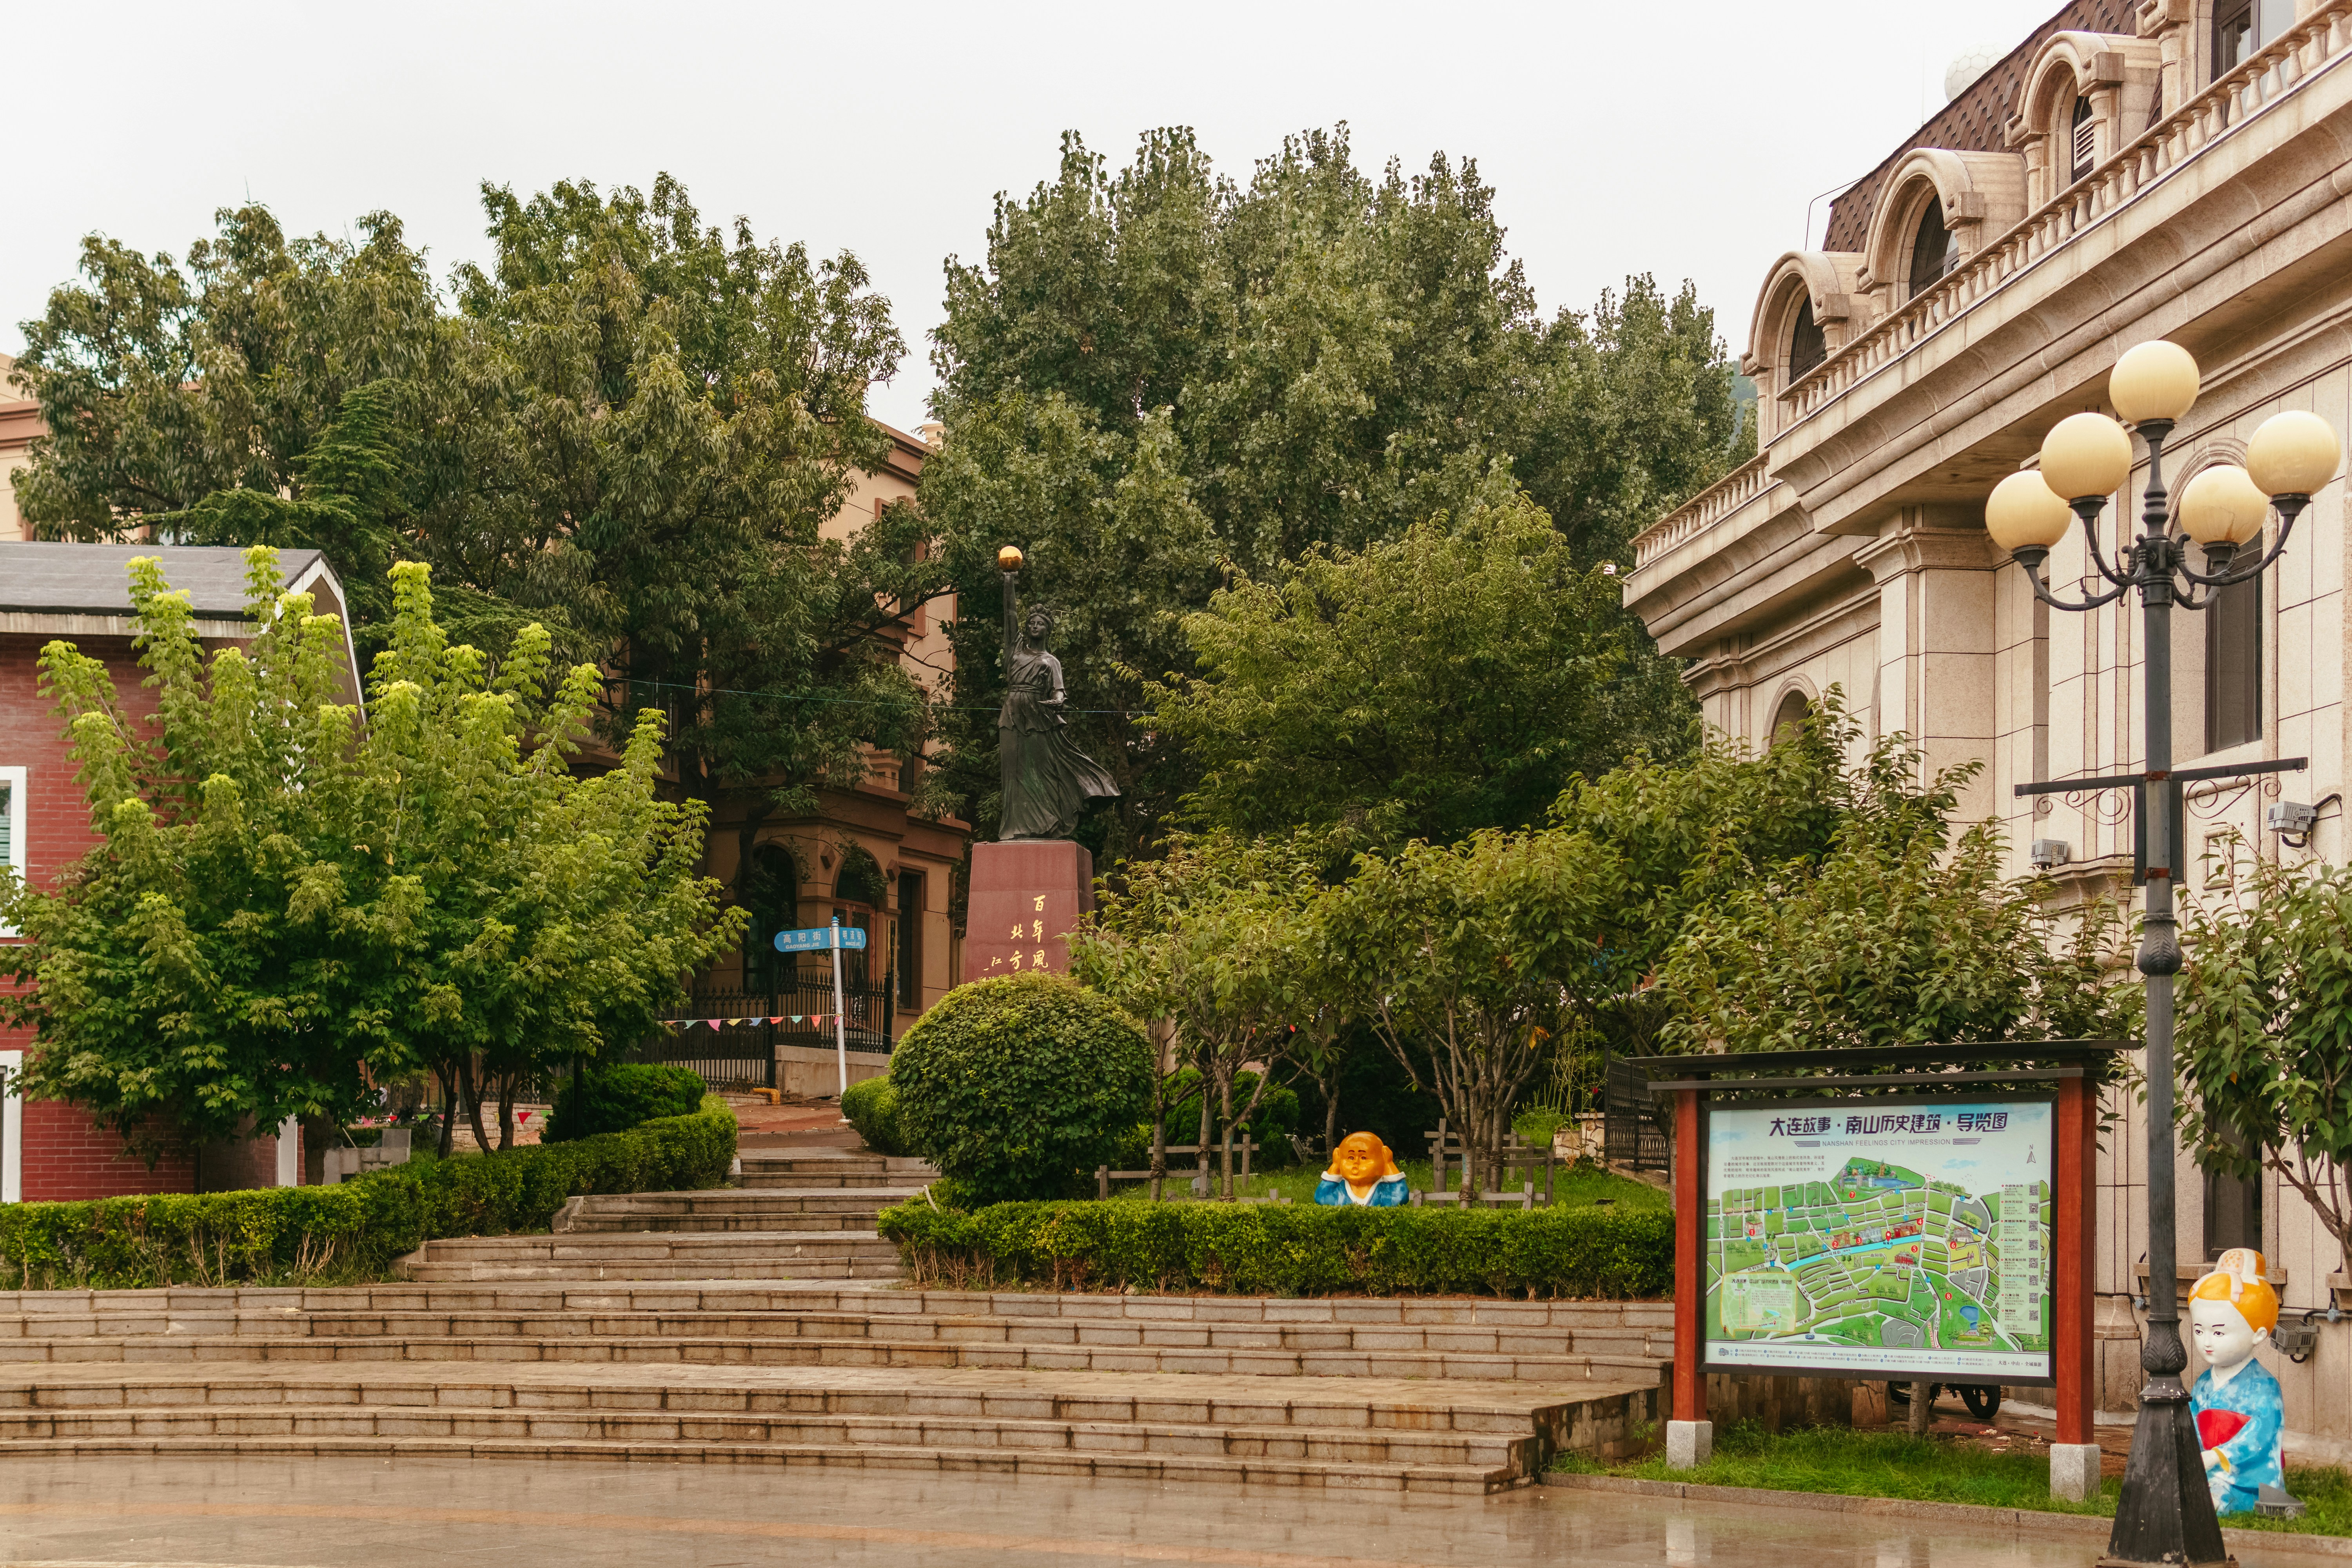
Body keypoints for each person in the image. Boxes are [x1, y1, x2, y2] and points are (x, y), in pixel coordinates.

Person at [997, 583, 1118, 840]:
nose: (1034, 626)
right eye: (1031, 623)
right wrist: (1009, 580)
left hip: (1039, 717)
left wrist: (1058, 701)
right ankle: (1013, 830)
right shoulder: (1015, 650)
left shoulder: (1052, 662)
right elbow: (1009, 615)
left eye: (1039, 623)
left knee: (1043, 773)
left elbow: (1059, 691)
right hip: (1011, 716)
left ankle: (1049, 825)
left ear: (1047, 629)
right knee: (1013, 773)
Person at [2188, 1247, 2289, 1515]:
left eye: (2219, 1333)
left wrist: (2217, 1456)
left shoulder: (2264, 1387)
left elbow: (2262, 1435)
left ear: (2258, 1335)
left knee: (2211, 1504)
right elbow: (2190, 1427)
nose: (2207, 1342)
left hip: (2248, 1480)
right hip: (2205, 1471)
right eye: (2199, 1331)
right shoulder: (2202, 1384)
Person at [1315, 1132, 1408, 1207]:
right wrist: (1335, 1165)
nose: (1356, 1164)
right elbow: (1322, 1198)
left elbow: (1399, 1198)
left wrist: (1389, 1164)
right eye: (1351, 1158)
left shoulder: (1382, 1190)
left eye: (1364, 1158)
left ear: (1382, 1159)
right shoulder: (1340, 1191)